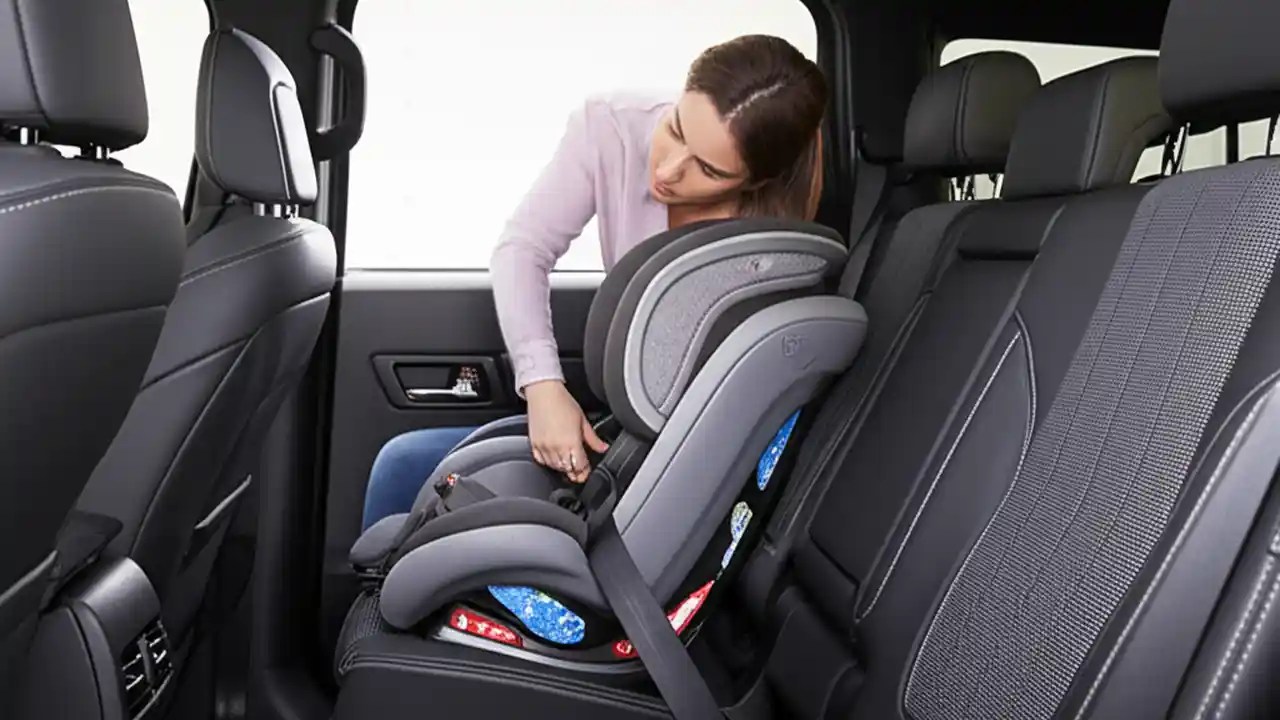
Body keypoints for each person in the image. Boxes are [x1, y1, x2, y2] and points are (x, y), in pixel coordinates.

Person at [361, 34, 829, 530]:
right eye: (675, 129)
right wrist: (543, 388)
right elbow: (524, 248)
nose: (668, 171)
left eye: (708, 169)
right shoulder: (613, 126)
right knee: (401, 465)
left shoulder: (775, 242)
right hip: (623, 427)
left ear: (752, 182)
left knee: (409, 472)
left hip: (689, 457)